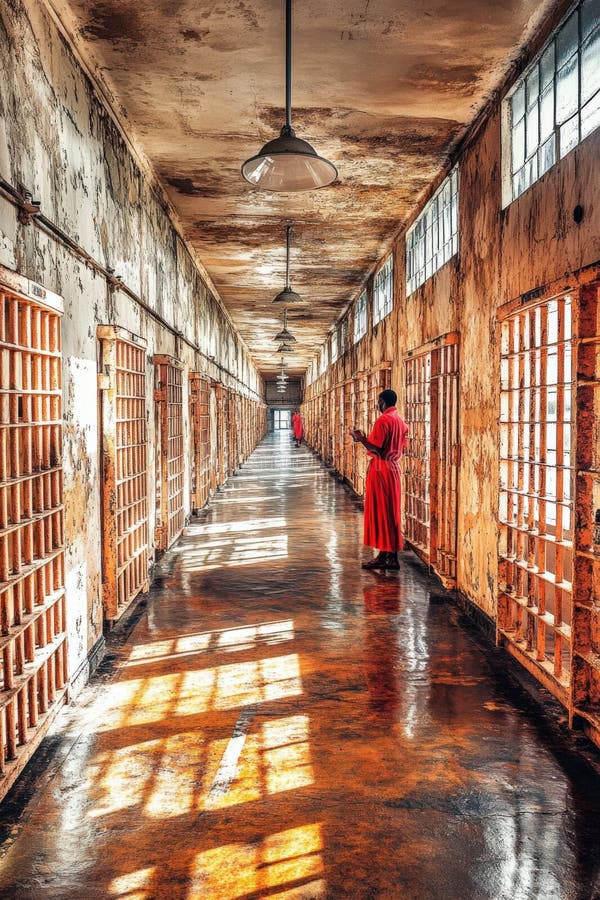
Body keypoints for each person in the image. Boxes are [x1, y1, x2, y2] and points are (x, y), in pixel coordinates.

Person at [350, 389, 409, 570]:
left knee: (381, 511)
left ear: (382, 401)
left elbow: (376, 449)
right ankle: (387, 555)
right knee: (390, 512)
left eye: (378, 401)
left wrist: (361, 438)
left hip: (381, 468)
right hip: (393, 469)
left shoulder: (383, 420)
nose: (377, 405)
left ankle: (387, 557)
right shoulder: (400, 421)